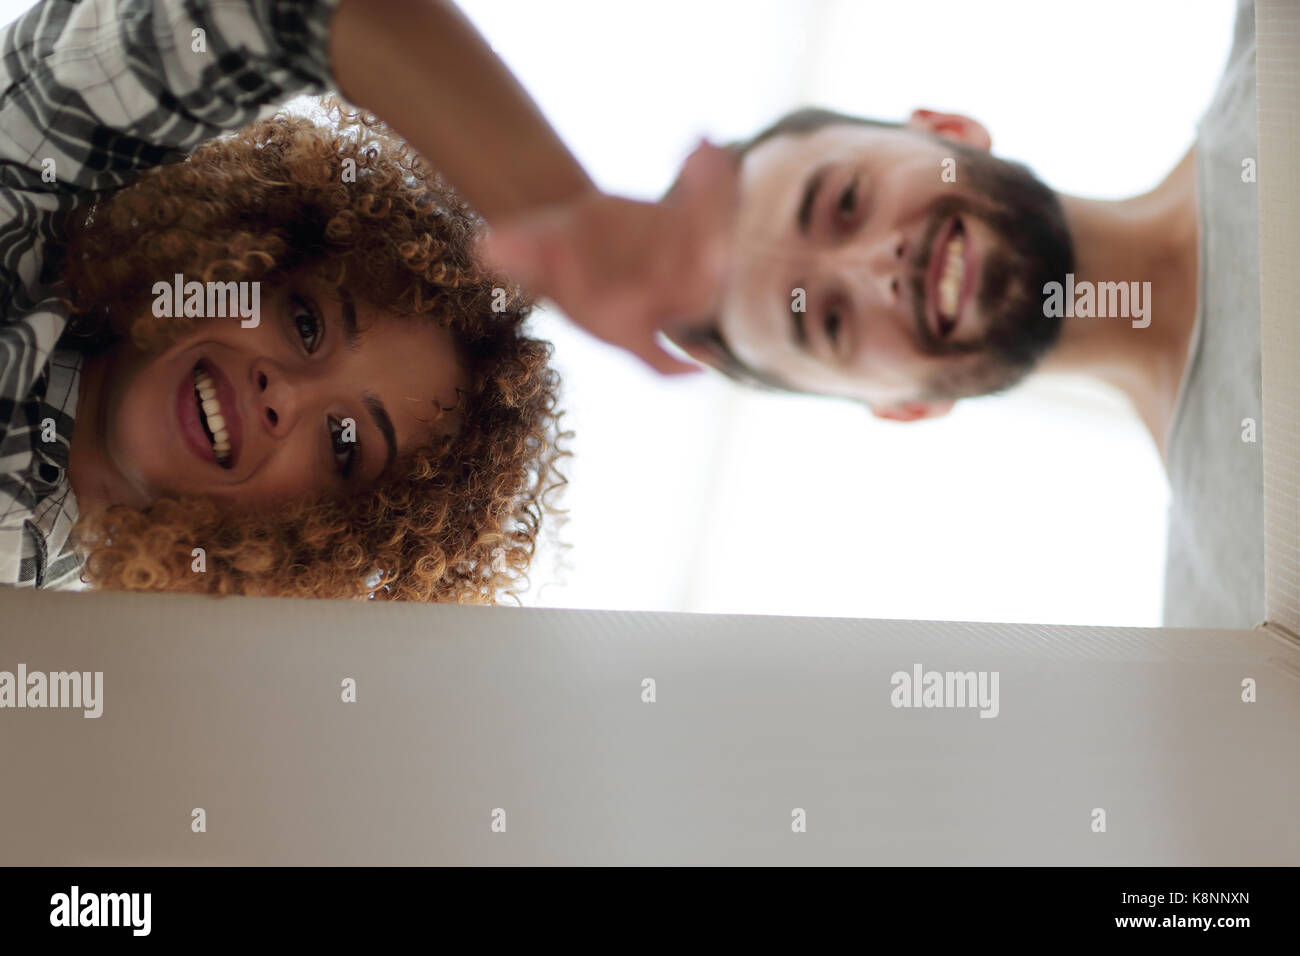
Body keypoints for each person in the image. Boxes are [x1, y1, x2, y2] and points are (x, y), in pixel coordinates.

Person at [0, 0, 738, 599]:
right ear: (240, 250)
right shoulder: (27, 185)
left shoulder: (85, 677)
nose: (282, 392)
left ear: (307, 533)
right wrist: (559, 205)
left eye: (344, 443)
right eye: (305, 321)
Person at [662, 2, 1260, 629]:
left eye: (848, 202)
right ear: (904, 405)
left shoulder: (1276, 40)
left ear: (947, 130)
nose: (879, 267)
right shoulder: (1234, 625)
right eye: (832, 322)